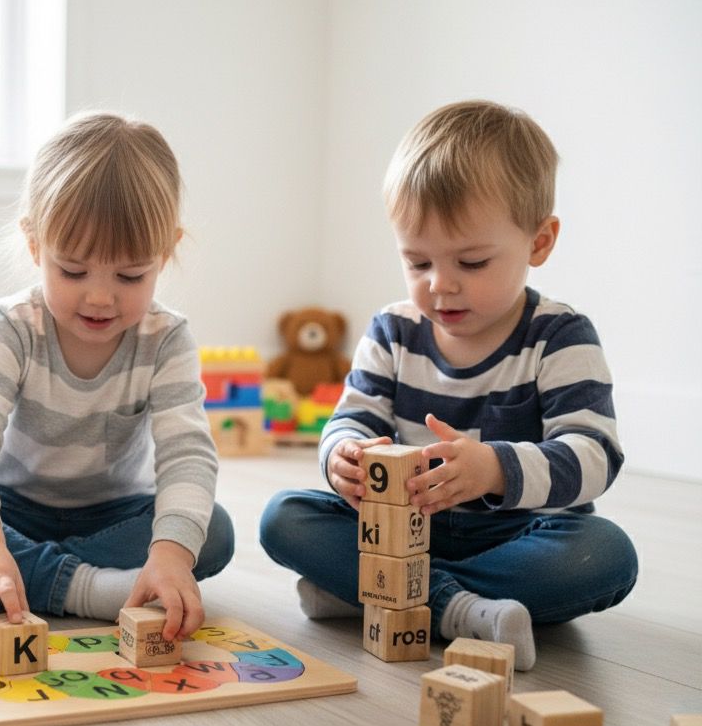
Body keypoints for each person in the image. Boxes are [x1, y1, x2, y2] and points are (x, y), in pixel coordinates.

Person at [259, 100, 637, 670]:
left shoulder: (560, 336)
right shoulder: (394, 330)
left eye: (473, 263)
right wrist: (343, 455)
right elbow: (352, 416)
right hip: (402, 527)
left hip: (516, 534)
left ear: (539, 242)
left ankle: (381, 594)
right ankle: (458, 607)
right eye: (417, 263)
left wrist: (493, 469)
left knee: (606, 554)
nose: (441, 286)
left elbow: (594, 455)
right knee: (284, 516)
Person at [0, 113, 233, 651]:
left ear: (166, 252)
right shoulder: (12, 326)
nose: (100, 297)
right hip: (12, 507)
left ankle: (10, 580)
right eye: (73, 271)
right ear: (34, 244)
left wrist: (169, 556)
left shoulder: (167, 339)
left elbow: (187, 454)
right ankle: (79, 587)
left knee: (213, 532)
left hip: (113, 517)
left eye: (131, 276)